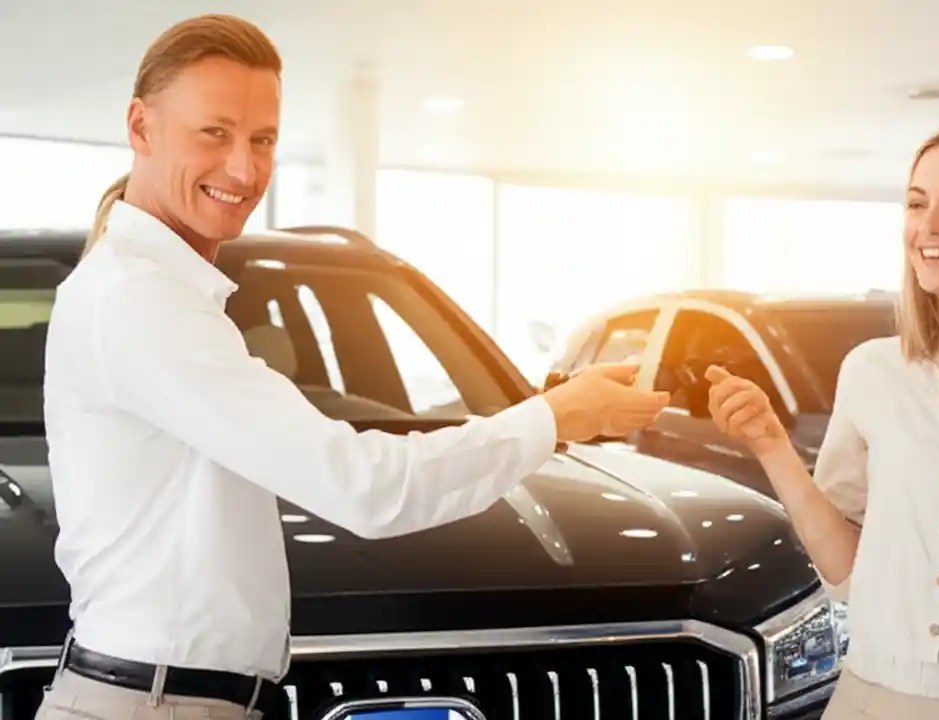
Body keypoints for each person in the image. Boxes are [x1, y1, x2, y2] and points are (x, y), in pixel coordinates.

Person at [36, 14, 669, 720]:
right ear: (141, 126)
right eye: (213, 133)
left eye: (263, 139)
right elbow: (365, 488)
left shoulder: (158, 291)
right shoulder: (139, 300)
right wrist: (558, 417)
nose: (244, 169)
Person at [704, 122, 939, 719]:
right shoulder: (872, 372)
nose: (929, 226)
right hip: (870, 697)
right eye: (917, 203)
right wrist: (770, 446)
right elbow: (846, 572)